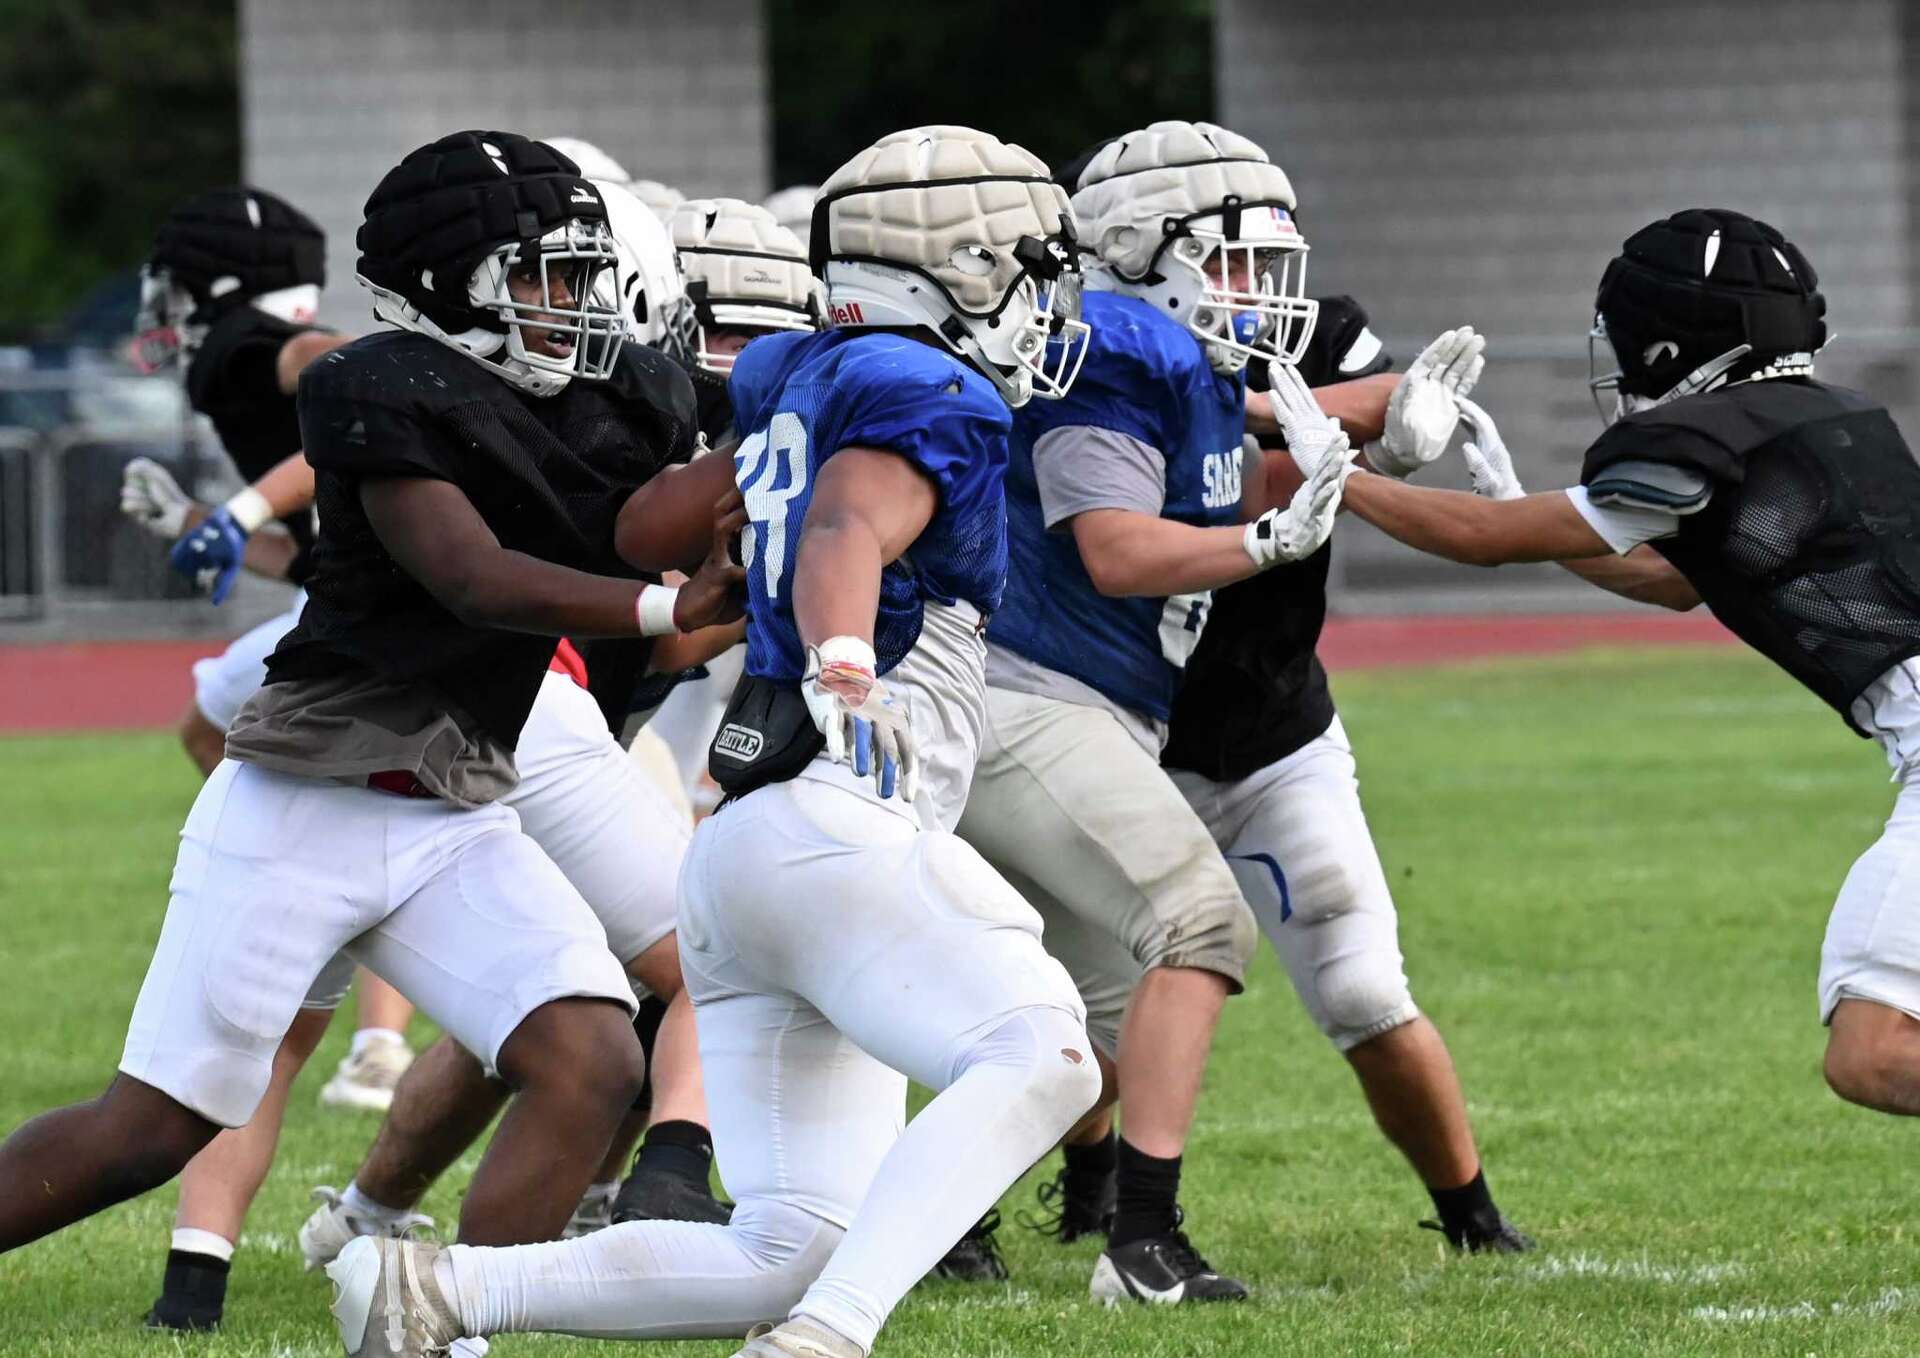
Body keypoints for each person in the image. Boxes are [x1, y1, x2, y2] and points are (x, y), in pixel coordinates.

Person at [323, 122, 1132, 1358]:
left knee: (791, 1239)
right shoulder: (935, 391)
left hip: (741, 849)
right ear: (961, 267)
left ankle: (444, 1292)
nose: (1042, 299)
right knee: (1049, 1053)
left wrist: (734, 514)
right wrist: (845, 653)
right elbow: (848, 530)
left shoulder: (792, 380)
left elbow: (647, 520)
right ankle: (827, 1342)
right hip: (839, 819)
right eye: (1027, 267)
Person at [0, 130, 743, 1271]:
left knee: (592, 1058)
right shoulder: (376, 385)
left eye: (582, 273)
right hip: (307, 805)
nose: (577, 303)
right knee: (148, 1128)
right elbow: (471, 575)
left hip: (457, 809)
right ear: (450, 284)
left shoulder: (612, 388)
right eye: (546, 274)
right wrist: (663, 607)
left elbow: (686, 473)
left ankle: (445, 1317)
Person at [1328, 208, 1920, 1133]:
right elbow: (1672, 580)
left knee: (1874, 1050)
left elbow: (1482, 544)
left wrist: (1333, 472)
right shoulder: (1827, 422)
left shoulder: (1717, 439)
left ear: (1674, 339)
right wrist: (1522, 505)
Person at [951, 119, 1364, 1302]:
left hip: (1062, 702)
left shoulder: (1174, 360)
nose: (1260, 292)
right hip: (1028, 698)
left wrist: (1380, 431)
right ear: (1142, 248)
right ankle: (1143, 1242)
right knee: (1199, 925)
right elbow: (1118, 548)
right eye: (1233, 259)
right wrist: (1267, 542)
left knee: (1093, 1020)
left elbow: (1239, 451)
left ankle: (938, 1210)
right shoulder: (1118, 346)